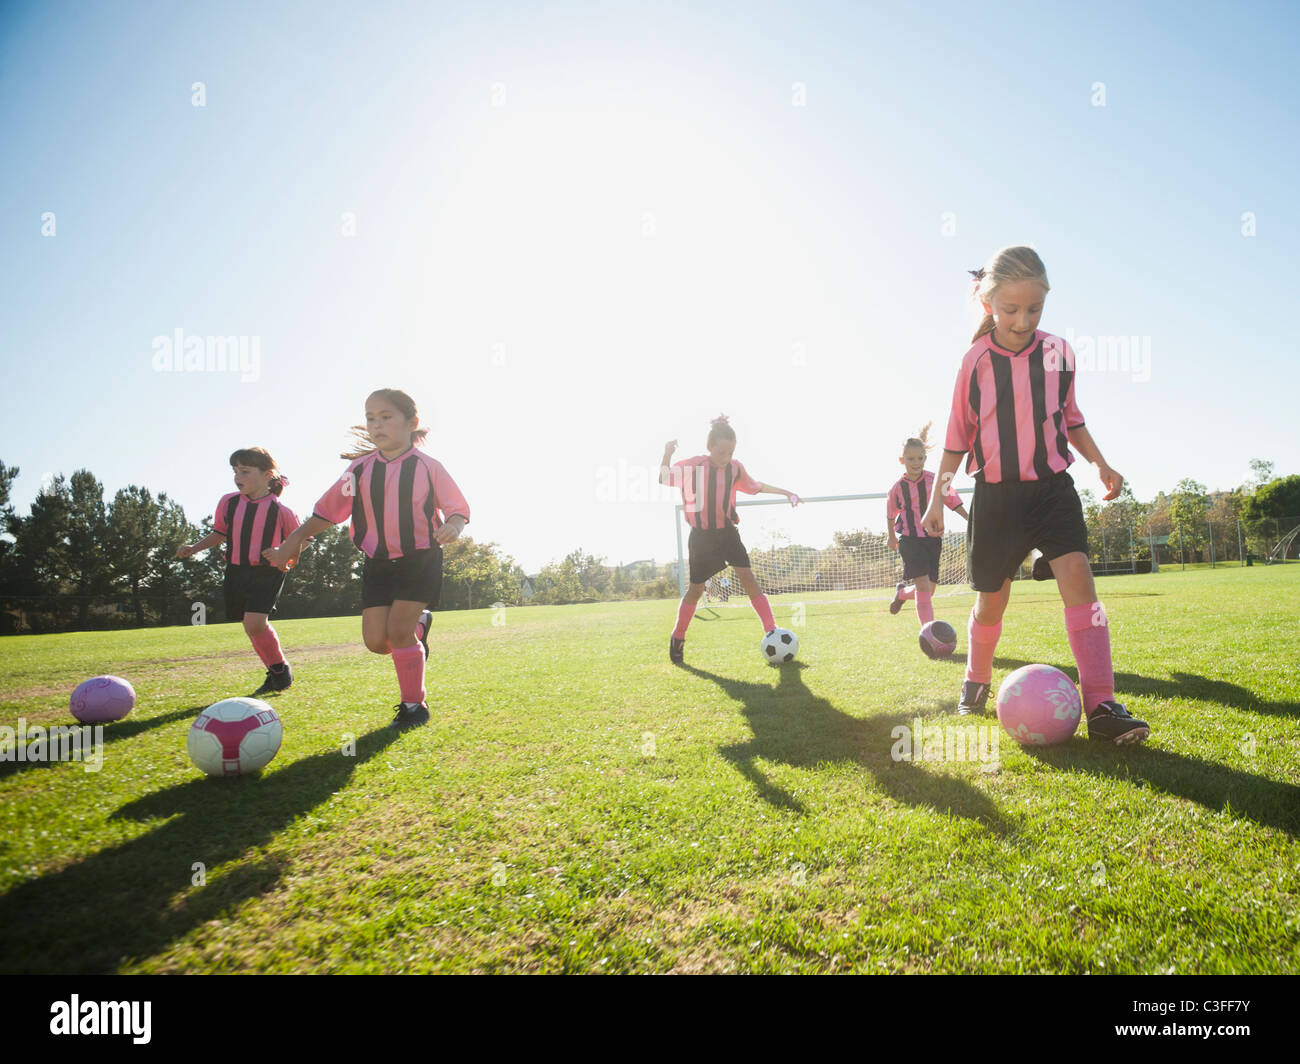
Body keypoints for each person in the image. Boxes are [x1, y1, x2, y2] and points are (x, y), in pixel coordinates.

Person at [921, 246, 1149, 744]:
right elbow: (956, 439)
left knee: (1079, 578)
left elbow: (1070, 417)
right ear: (988, 306)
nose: (1023, 319)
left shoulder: (1059, 352)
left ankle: (1103, 706)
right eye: (1011, 309)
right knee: (991, 602)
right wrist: (937, 499)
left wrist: (1100, 463)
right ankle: (976, 680)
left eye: (1034, 309)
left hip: (1053, 490)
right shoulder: (975, 362)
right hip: (997, 497)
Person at [263, 389, 469, 731]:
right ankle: (421, 625)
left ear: (411, 423)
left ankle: (414, 706)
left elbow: (458, 509)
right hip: (377, 563)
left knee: (399, 633)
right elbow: (327, 513)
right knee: (377, 642)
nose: (377, 425)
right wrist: (292, 542)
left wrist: (453, 525)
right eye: (371, 418)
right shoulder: (358, 471)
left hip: (420, 559)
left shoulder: (429, 467)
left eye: (386, 417)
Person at [658, 414, 799, 665]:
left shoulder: (735, 468)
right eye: (721, 451)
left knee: (748, 577)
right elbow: (664, 478)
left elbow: (756, 486)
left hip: (727, 533)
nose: (726, 457)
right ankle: (678, 637)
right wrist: (667, 453)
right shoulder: (695, 466)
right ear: (710, 446)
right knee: (696, 590)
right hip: (701, 537)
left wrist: (786, 491)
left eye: (730, 452)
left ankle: (771, 630)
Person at [177, 447, 300, 695]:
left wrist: (284, 553)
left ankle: (280, 670)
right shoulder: (228, 502)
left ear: (267, 475)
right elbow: (219, 533)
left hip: (267, 572)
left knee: (255, 623)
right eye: (235, 471)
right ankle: (275, 671)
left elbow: (301, 539)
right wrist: (194, 547)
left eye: (245, 471)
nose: (238, 476)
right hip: (235, 570)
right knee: (249, 625)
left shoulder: (281, 511)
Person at [887, 422, 969, 625]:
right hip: (910, 541)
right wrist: (890, 537)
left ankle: (902, 594)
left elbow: (952, 500)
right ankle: (929, 634)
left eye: (919, 458)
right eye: (910, 459)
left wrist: (969, 519)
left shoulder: (935, 480)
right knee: (923, 587)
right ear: (902, 460)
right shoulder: (897, 488)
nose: (915, 462)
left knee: (928, 590)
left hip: (932, 540)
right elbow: (890, 513)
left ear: (925, 458)